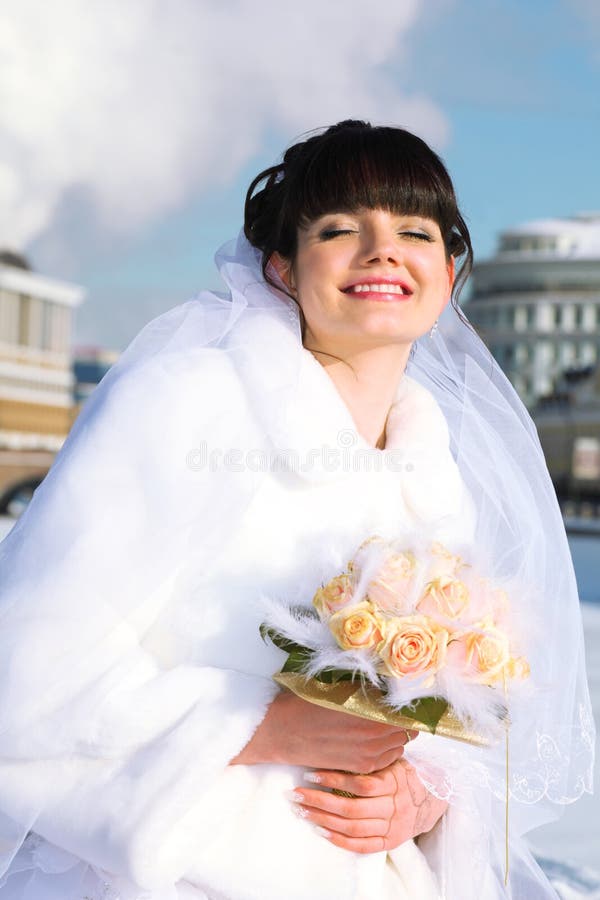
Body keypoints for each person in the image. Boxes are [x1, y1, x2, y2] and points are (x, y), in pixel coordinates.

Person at [0, 120, 593, 900]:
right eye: (341, 229)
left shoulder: (433, 468)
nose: (383, 250)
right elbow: (25, 672)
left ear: (449, 274)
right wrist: (254, 722)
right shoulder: (190, 405)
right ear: (281, 269)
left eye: (414, 231)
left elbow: (466, 721)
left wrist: (427, 795)